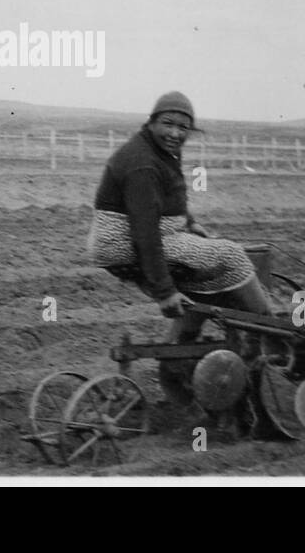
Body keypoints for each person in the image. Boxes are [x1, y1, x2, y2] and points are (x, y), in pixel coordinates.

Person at [86, 92, 281, 436]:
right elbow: (146, 234)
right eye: (168, 124)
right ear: (151, 121)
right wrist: (164, 293)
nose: (176, 133)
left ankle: (190, 336)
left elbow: (169, 197)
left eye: (183, 127)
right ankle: (270, 325)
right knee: (233, 255)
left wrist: (189, 222)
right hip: (127, 244)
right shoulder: (142, 163)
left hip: (140, 240)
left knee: (207, 259)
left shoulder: (156, 151)